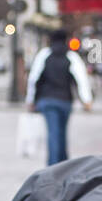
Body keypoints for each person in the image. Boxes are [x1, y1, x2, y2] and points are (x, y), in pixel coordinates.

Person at [25, 29, 92, 166]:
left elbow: (34, 79)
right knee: (61, 133)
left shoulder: (44, 55)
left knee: (53, 133)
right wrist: (86, 100)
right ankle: (61, 165)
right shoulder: (71, 57)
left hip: (47, 100)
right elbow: (81, 79)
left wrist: (30, 100)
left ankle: (54, 165)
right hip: (64, 101)